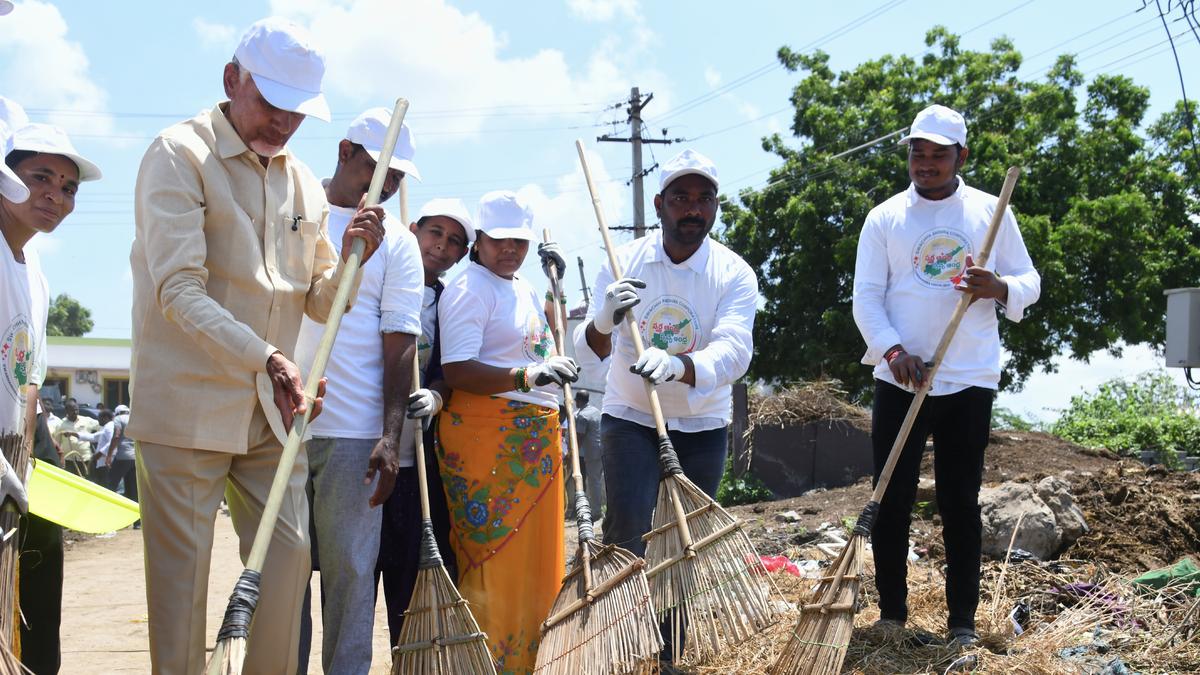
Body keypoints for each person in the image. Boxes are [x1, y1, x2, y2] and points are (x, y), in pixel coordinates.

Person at [127, 18, 386, 674]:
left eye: (297, 112)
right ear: (230, 80)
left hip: (273, 409)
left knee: (290, 558)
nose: (282, 122)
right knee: (182, 592)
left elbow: (320, 298)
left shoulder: (300, 180)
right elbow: (178, 292)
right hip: (188, 407)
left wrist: (355, 257)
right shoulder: (176, 155)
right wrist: (268, 358)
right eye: (270, 103)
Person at [851, 104, 1041, 647]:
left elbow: (1030, 280)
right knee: (890, 499)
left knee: (960, 499)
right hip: (900, 380)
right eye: (918, 153)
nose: (926, 164)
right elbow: (866, 298)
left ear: (962, 156)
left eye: (938, 155)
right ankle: (891, 615)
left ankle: (961, 623)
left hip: (968, 377)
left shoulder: (991, 212)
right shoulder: (884, 217)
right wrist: (892, 352)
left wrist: (999, 288)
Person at [573, 149, 757, 661]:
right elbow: (588, 349)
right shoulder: (623, 259)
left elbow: (736, 349)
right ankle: (617, 649)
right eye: (680, 198)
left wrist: (681, 365)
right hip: (631, 416)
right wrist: (606, 316)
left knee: (680, 545)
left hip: (701, 423)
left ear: (716, 207)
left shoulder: (733, 273)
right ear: (659, 204)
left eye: (703, 199)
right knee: (627, 529)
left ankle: (669, 659)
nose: (692, 209)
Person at [292, 107, 424, 675]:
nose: (388, 185)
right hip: (280, 423)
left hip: (353, 432)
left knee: (349, 572)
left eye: (396, 177)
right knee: (283, 573)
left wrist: (390, 438)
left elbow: (400, 347)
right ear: (345, 152)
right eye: (379, 169)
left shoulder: (399, 243)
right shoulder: (295, 209)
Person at [436, 190, 577, 672]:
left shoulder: (524, 288)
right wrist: (526, 378)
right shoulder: (468, 289)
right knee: (496, 570)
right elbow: (456, 370)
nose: (510, 250)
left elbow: (544, 346)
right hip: (490, 445)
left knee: (538, 568)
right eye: (500, 241)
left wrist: (563, 298)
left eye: (519, 241)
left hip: (535, 441)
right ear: (479, 239)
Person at [2, 108, 102, 675]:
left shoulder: (33, 268)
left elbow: (31, 372)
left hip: (18, 452)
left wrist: (28, 450)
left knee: (36, 603)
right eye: (40, 177)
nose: (56, 197)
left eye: (67, 187)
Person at [375, 198, 472, 646]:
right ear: (413, 229)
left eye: (455, 242)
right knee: (355, 573)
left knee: (409, 575)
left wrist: (435, 395)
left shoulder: (451, 302)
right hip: (361, 439)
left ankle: (408, 658)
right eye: (435, 233)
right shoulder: (375, 273)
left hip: (418, 454)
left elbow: (452, 370)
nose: (441, 246)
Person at [572, 389, 604, 521]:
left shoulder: (582, 416)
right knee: (598, 481)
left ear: (578, 401)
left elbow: (579, 437)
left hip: (592, 452)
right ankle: (598, 509)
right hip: (602, 449)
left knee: (593, 483)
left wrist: (572, 453)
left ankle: (596, 512)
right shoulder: (596, 411)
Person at [51, 398, 98, 479]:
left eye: (77, 410)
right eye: (72, 410)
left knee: (87, 481)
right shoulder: (61, 424)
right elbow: (57, 442)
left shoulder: (86, 420)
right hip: (69, 460)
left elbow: (101, 427)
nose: (75, 412)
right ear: (67, 411)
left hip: (85, 458)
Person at [107, 404, 137, 520]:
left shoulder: (118, 419)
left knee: (111, 485)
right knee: (133, 489)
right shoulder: (134, 418)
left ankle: (111, 515)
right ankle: (136, 521)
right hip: (135, 458)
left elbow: (116, 436)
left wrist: (109, 455)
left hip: (122, 457)